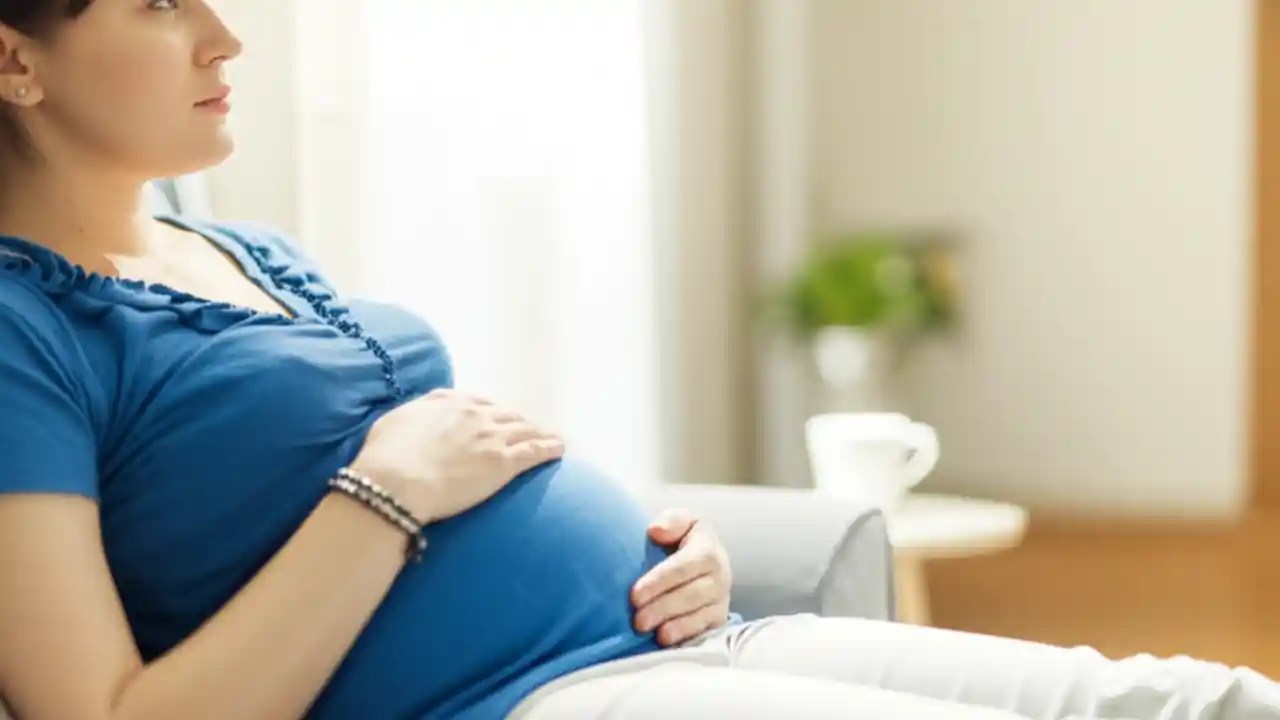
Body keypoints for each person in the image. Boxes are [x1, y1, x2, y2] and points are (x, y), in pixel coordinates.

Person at [0, 1, 1276, 719]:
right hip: (521, 702)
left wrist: (670, 547)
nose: (224, 36)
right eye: (160, 4)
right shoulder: (20, 330)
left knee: (1198, 704)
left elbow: (465, 478)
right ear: (14, 59)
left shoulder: (248, 252)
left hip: (689, 642)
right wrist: (381, 499)